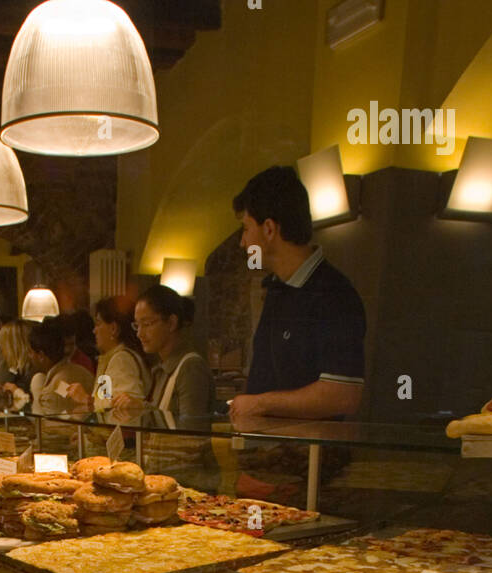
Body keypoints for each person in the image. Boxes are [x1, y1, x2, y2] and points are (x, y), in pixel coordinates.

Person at [229, 165, 365, 423]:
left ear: (269, 229)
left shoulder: (334, 294)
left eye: (246, 229)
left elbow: (343, 395)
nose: (243, 243)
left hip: (310, 460)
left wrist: (259, 404)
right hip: (268, 456)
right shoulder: (276, 289)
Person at [113, 285, 214, 419]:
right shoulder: (161, 368)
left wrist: (142, 409)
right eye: (137, 325)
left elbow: (191, 431)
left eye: (147, 324)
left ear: (171, 323)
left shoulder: (191, 367)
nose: (139, 333)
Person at [65, 297, 151, 410]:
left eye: (98, 323)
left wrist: (86, 400)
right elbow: (107, 398)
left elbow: (123, 407)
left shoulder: (121, 360)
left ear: (114, 329)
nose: (94, 330)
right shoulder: (114, 358)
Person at [28, 317, 94, 414]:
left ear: (41, 355)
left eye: (30, 352)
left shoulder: (58, 384)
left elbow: (51, 409)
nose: (29, 356)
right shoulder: (80, 371)